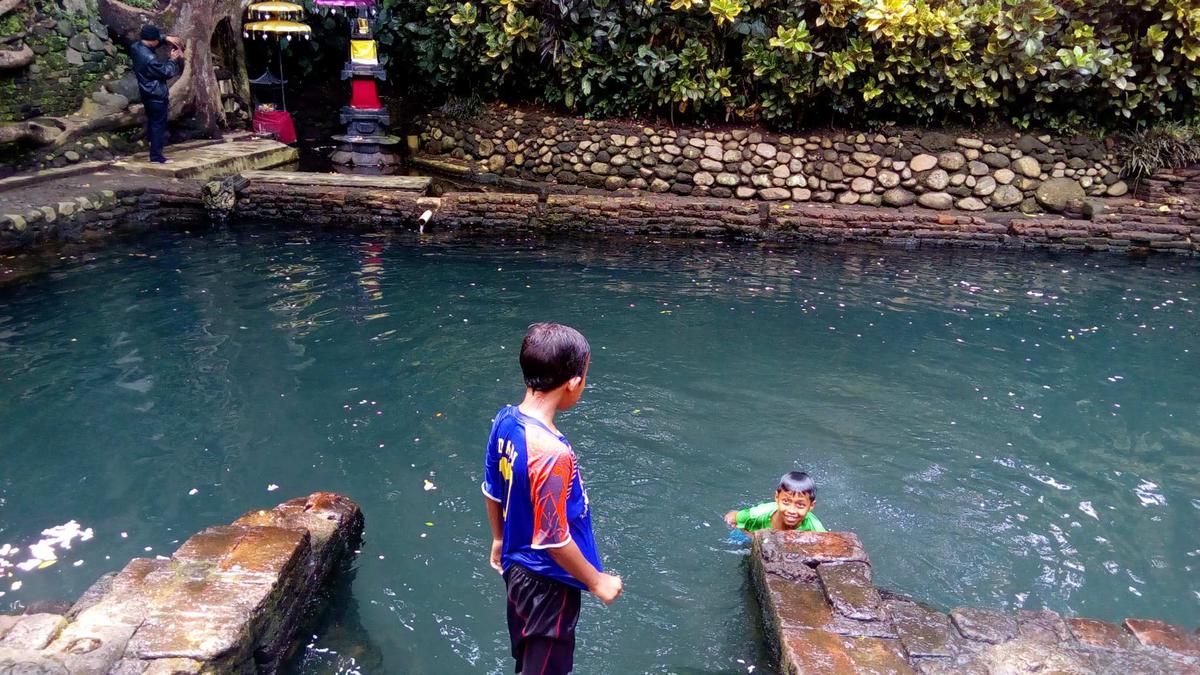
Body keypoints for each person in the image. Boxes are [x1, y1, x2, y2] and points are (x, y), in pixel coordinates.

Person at [482, 322, 622, 675]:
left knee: (529, 660)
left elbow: (492, 488)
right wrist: (598, 582)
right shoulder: (551, 452)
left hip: (517, 569)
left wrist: (498, 538)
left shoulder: (504, 421)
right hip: (549, 584)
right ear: (573, 382)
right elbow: (554, 538)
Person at [130, 24, 183, 164]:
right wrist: (172, 60)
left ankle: (153, 150)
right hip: (156, 94)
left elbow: (155, 40)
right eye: (157, 39)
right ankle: (156, 157)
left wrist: (165, 38)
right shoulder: (150, 58)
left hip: (146, 91)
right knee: (158, 125)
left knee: (153, 123)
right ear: (152, 40)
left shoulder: (136, 47)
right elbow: (166, 72)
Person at [724, 471, 827, 534]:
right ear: (777, 497)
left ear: (811, 506)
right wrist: (750, 537)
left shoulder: (815, 529)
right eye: (786, 501)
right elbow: (732, 516)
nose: (791, 510)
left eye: (800, 505)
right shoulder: (756, 515)